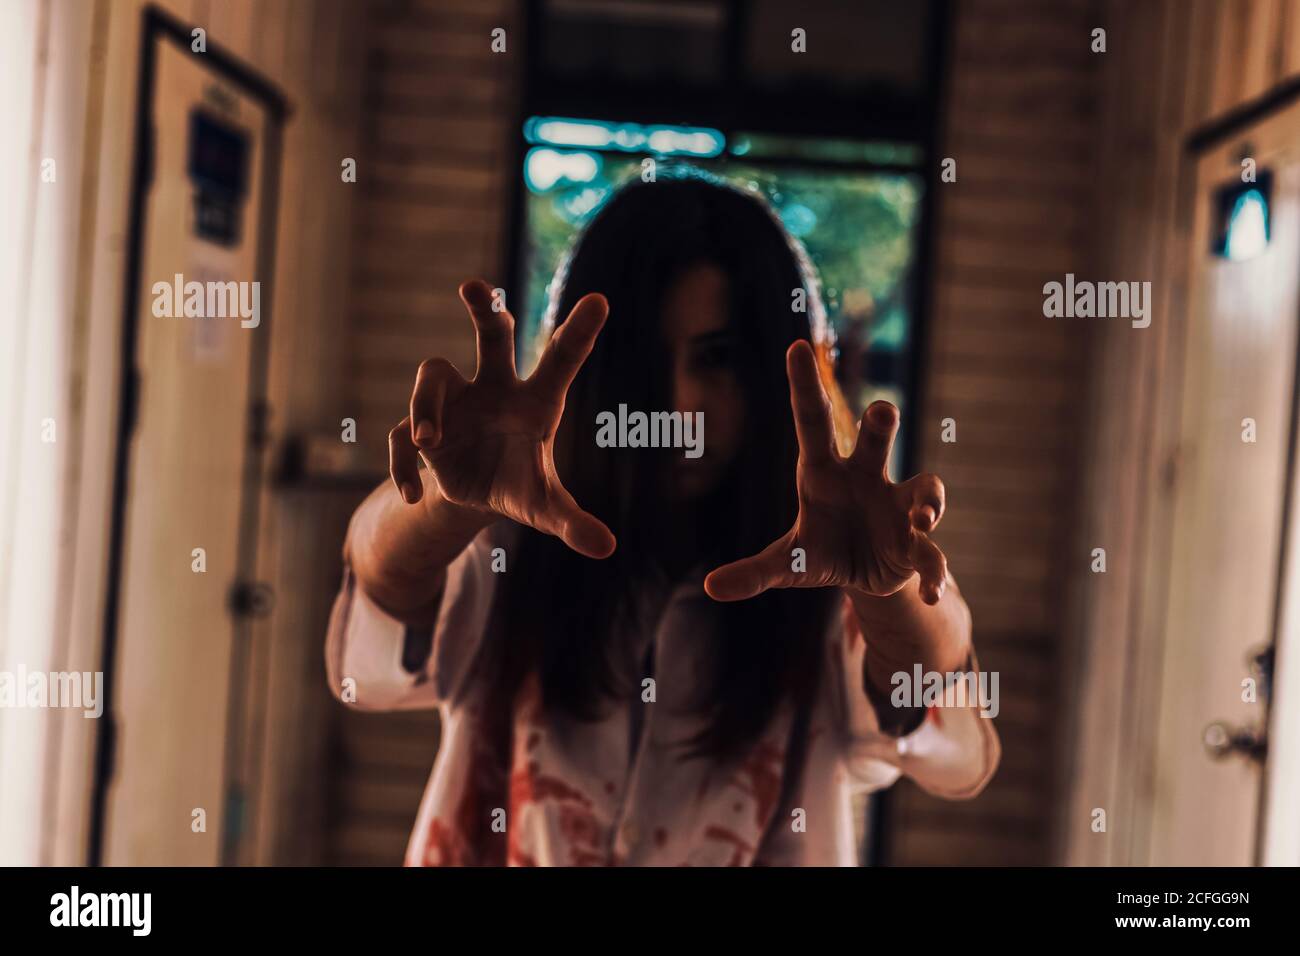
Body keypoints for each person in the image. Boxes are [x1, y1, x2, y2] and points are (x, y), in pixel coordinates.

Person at [326, 175, 999, 866]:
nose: (678, 411)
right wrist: (445, 499)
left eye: (718, 359)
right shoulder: (511, 545)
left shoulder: (821, 574)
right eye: (645, 360)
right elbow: (379, 581)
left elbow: (932, 682)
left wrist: (886, 589)